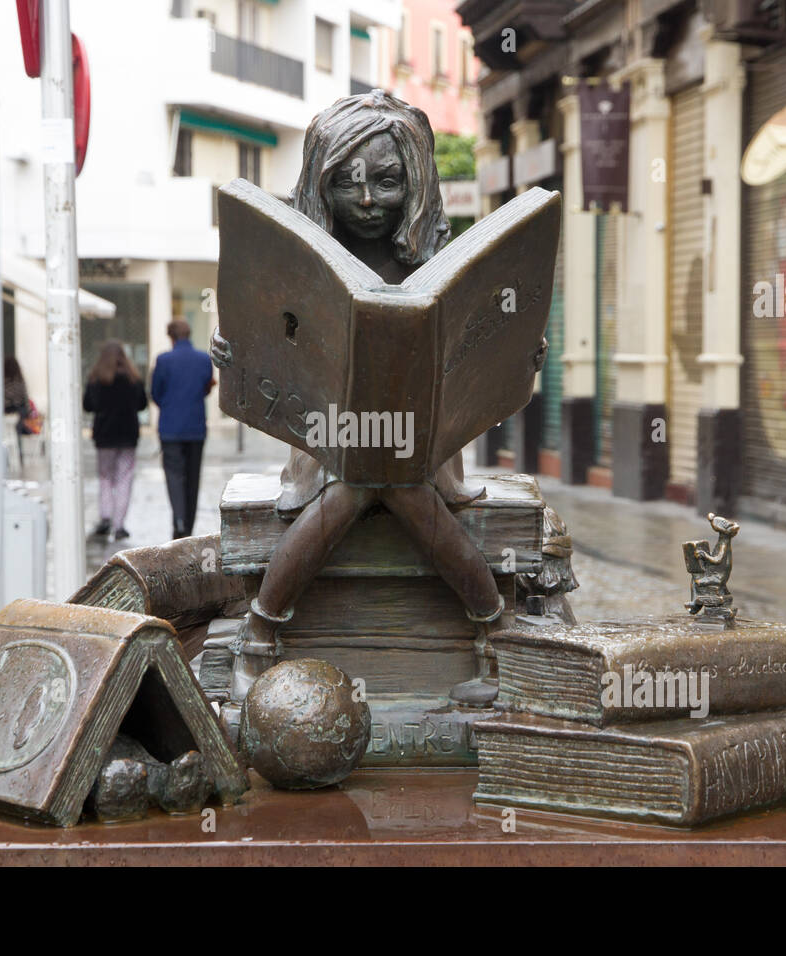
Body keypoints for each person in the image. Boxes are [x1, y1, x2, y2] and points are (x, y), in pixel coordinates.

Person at [211, 91, 540, 705]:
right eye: (347, 183)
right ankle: (496, 632)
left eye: (386, 182)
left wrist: (518, 351)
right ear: (321, 183)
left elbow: (478, 342)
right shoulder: (302, 260)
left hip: (423, 442)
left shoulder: (434, 260)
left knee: (379, 477)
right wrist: (234, 350)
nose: (366, 200)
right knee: (370, 477)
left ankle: (260, 634)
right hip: (328, 440)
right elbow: (266, 342)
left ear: (412, 181)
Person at [150, 320, 214, 539]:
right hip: (195, 426)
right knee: (193, 477)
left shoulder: (163, 360)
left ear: (171, 337)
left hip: (170, 427)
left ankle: (178, 519)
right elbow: (206, 387)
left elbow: (156, 392)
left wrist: (170, 405)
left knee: (174, 476)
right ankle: (188, 525)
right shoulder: (204, 359)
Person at [83, 340, 148, 541]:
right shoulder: (133, 379)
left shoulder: (96, 379)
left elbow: (87, 405)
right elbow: (142, 405)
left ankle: (105, 517)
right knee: (124, 479)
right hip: (128, 436)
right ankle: (119, 524)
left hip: (105, 436)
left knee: (105, 478)